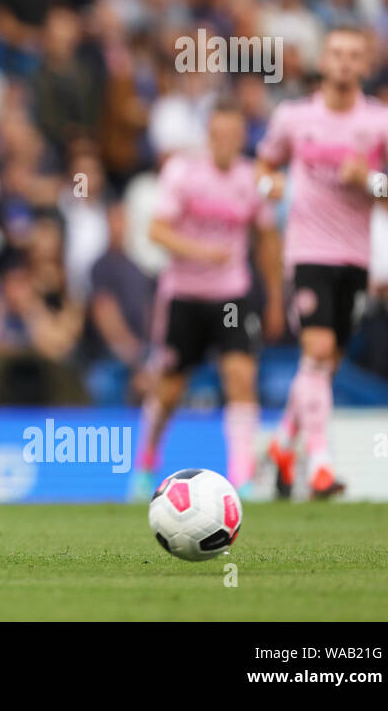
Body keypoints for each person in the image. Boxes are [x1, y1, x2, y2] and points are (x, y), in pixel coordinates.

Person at [259, 27, 388, 499]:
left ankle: (283, 447)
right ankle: (322, 466)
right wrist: (267, 187)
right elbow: (264, 166)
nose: (345, 63)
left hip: (356, 256)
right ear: (323, 60)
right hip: (307, 252)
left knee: (325, 367)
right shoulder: (293, 116)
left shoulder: (383, 120)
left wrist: (372, 180)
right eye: (337, 54)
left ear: (366, 65)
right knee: (317, 351)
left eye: (355, 56)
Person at [131, 101, 283, 500]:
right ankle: (146, 462)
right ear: (208, 136)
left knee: (240, 377)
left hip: (231, 296)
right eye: (218, 135)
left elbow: (266, 238)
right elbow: (157, 231)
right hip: (183, 296)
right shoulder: (182, 173)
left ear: (243, 138)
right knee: (169, 391)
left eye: (234, 135)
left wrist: (275, 297)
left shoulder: (252, 179)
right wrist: (202, 252)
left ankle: (243, 477)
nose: (226, 142)